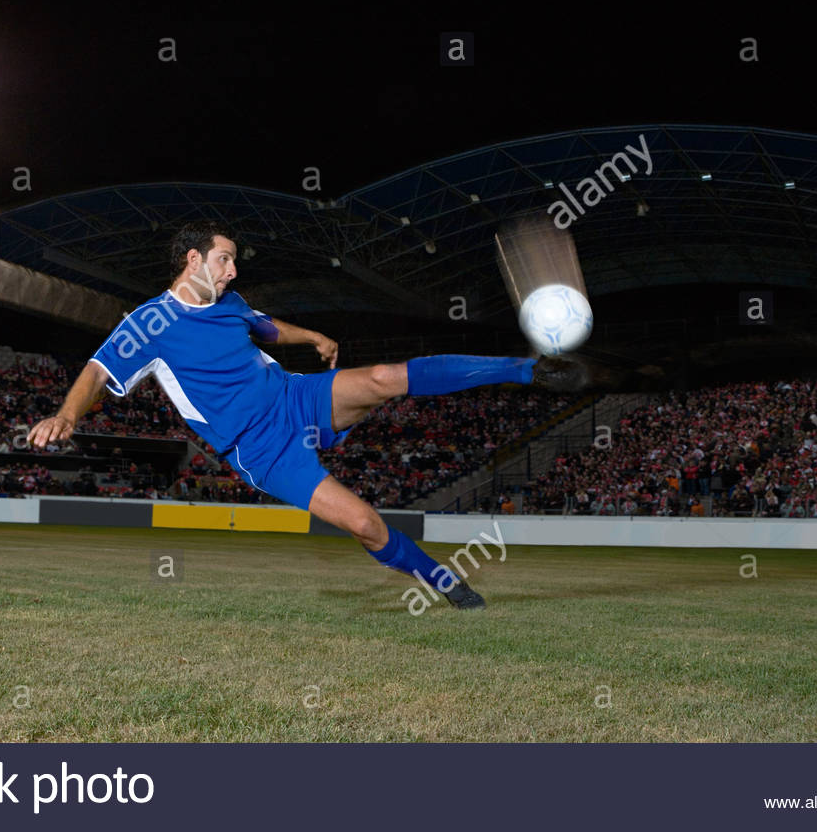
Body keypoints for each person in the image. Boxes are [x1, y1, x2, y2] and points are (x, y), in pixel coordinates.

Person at [28, 223, 580, 609]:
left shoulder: (230, 302)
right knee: (364, 523)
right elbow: (98, 371)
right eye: (225, 258)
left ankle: (530, 369)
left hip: (295, 396)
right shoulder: (149, 322)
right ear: (192, 260)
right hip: (260, 450)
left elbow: (266, 327)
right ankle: (442, 581)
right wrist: (67, 417)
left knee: (386, 378)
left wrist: (312, 335)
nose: (233, 268)